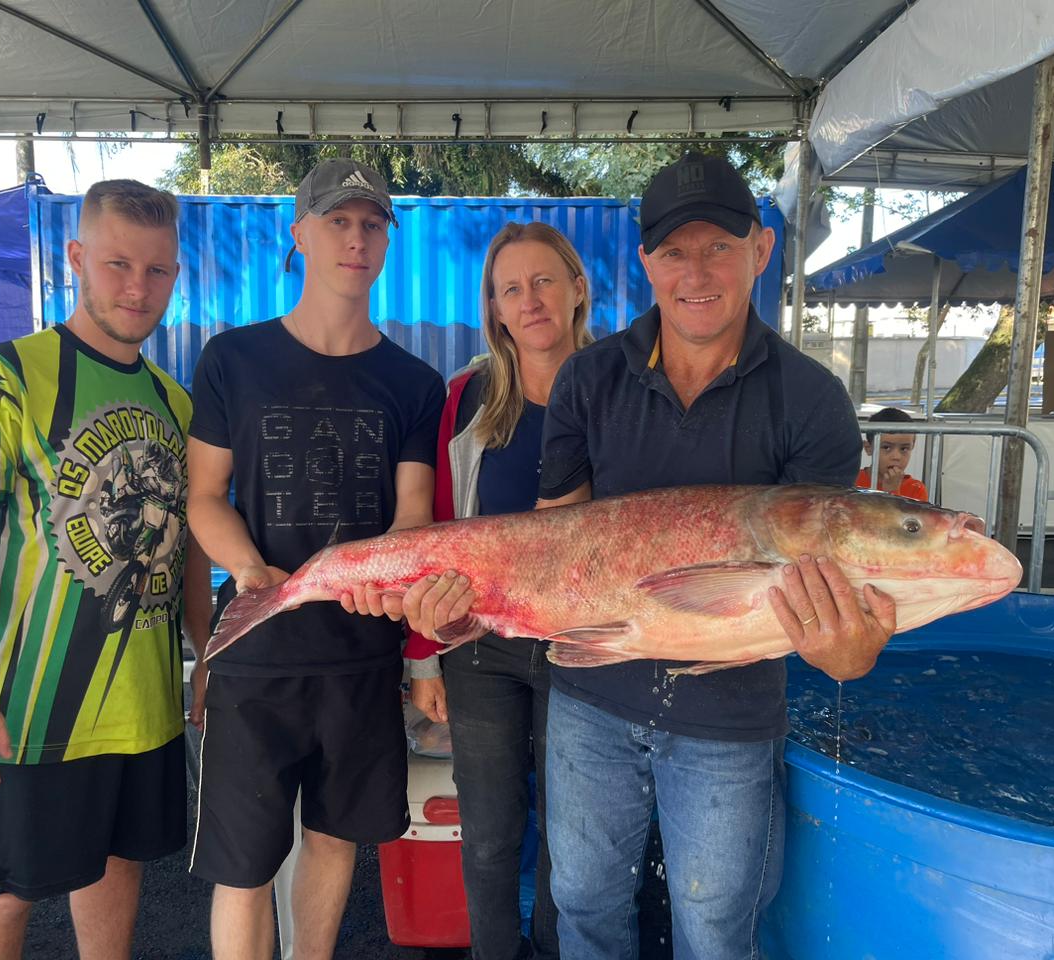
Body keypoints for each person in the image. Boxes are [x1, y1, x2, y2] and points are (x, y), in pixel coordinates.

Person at [533, 153, 898, 959]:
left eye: (720, 247)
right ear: (645, 263)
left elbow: (823, 580)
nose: (696, 272)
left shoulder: (811, 402)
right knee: (582, 905)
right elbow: (551, 535)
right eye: (674, 252)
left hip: (728, 716)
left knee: (715, 929)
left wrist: (848, 647)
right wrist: (465, 596)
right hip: (591, 695)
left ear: (761, 251)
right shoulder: (587, 379)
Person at [0, 179, 211, 960]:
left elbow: (187, 550)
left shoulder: (177, 405)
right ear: (77, 258)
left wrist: (206, 656)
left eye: (157, 271)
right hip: (31, 713)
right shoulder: (3, 376)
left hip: (143, 706)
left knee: (115, 865)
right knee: (2, 889)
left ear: (175, 277)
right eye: (118, 264)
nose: (137, 288)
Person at [186, 158, 445, 960]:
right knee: (246, 868)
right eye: (338, 221)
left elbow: (411, 517)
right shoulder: (233, 359)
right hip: (257, 660)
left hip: (361, 660)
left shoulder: (414, 380)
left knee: (334, 842)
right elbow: (204, 497)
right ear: (299, 235)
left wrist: (396, 591)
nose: (356, 239)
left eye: (372, 224)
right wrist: (253, 572)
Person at [405, 222, 592, 960]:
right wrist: (424, 660)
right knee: (488, 835)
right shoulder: (468, 397)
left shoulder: (620, 386)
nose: (531, 300)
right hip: (479, 650)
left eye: (544, 280)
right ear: (494, 306)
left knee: (569, 842)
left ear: (577, 288)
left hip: (582, 650)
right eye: (511, 288)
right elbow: (433, 539)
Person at [856, 407, 929, 501]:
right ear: (868, 448)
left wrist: (892, 491)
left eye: (904, 449)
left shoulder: (916, 489)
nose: (896, 457)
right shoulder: (852, 481)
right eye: (886, 447)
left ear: (912, 447)